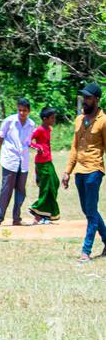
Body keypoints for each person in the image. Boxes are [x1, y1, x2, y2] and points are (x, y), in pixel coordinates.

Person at [61, 83, 106, 261]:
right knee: (89, 210)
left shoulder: (103, 121)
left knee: (91, 212)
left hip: (95, 170)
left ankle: (85, 252)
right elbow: (74, 146)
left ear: (96, 99)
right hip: (79, 170)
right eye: (83, 97)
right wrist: (67, 171)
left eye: (88, 98)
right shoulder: (79, 119)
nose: (84, 101)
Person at [0, 98, 35, 226]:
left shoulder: (31, 124)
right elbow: (1, 136)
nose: (22, 113)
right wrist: (4, 151)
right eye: (20, 110)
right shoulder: (10, 121)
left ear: (29, 111)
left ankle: (16, 218)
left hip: (23, 160)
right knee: (6, 188)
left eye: (24, 110)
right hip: (10, 159)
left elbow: (28, 142)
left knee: (20, 190)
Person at [29, 107, 59, 225]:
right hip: (41, 163)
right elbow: (28, 141)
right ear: (45, 119)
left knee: (54, 184)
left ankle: (46, 214)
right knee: (46, 188)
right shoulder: (40, 130)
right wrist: (38, 147)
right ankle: (37, 213)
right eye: (52, 118)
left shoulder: (49, 129)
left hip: (48, 161)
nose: (54, 119)